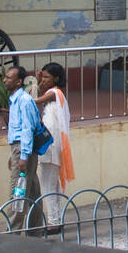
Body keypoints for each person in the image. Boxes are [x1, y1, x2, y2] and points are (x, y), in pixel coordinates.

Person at [3, 65, 46, 234]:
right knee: (33, 189)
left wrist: (23, 155)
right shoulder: (15, 99)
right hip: (19, 148)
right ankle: (36, 230)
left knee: (18, 191)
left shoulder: (24, 101)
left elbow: (27, 129)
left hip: (23, 148)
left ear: (18, 81)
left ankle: (12, 231)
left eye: (8, 77)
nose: (5, 80)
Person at [34, 62, 75, 232]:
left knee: (48, 185)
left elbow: (34, 101)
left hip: (50, 147)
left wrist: (36, 85)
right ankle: (56, 219)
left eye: (46, 77)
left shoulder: (54, 93)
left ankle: (53, 222)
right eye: (42, 76)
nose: (43, 80)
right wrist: (39, 83)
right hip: (52, 145)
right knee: (53, 184)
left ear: (56, 79)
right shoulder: (54, 94)